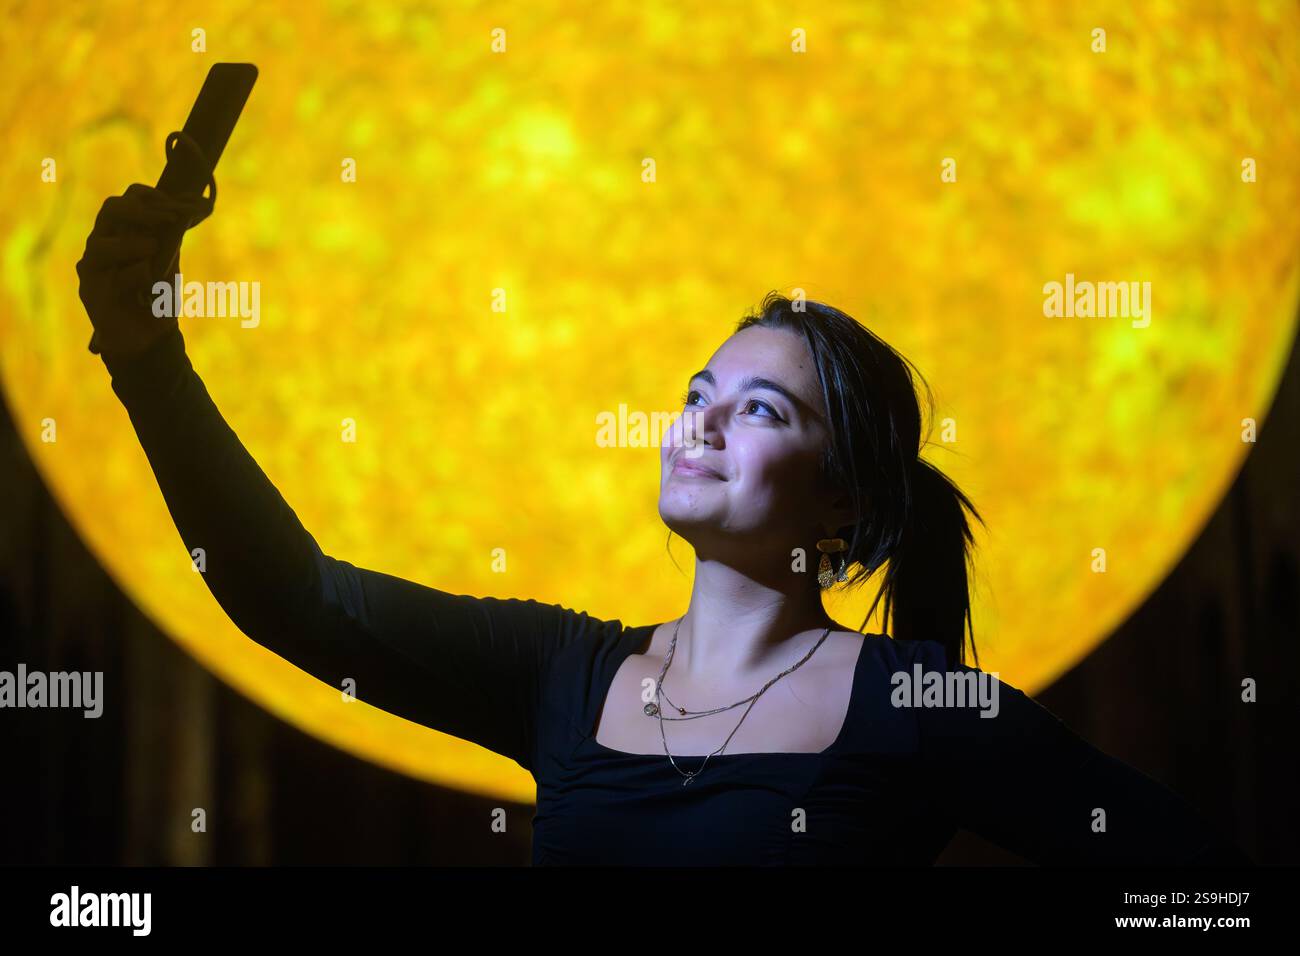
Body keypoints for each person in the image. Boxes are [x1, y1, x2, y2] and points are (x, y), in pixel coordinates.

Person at [76, 184, 1253, 866]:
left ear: (840, 500)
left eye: (758, 408)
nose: (699, 423)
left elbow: (1201, 882)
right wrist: (147, 356)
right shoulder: (562, 673)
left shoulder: (915, 706)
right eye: (694, 394)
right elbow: (295, 598)